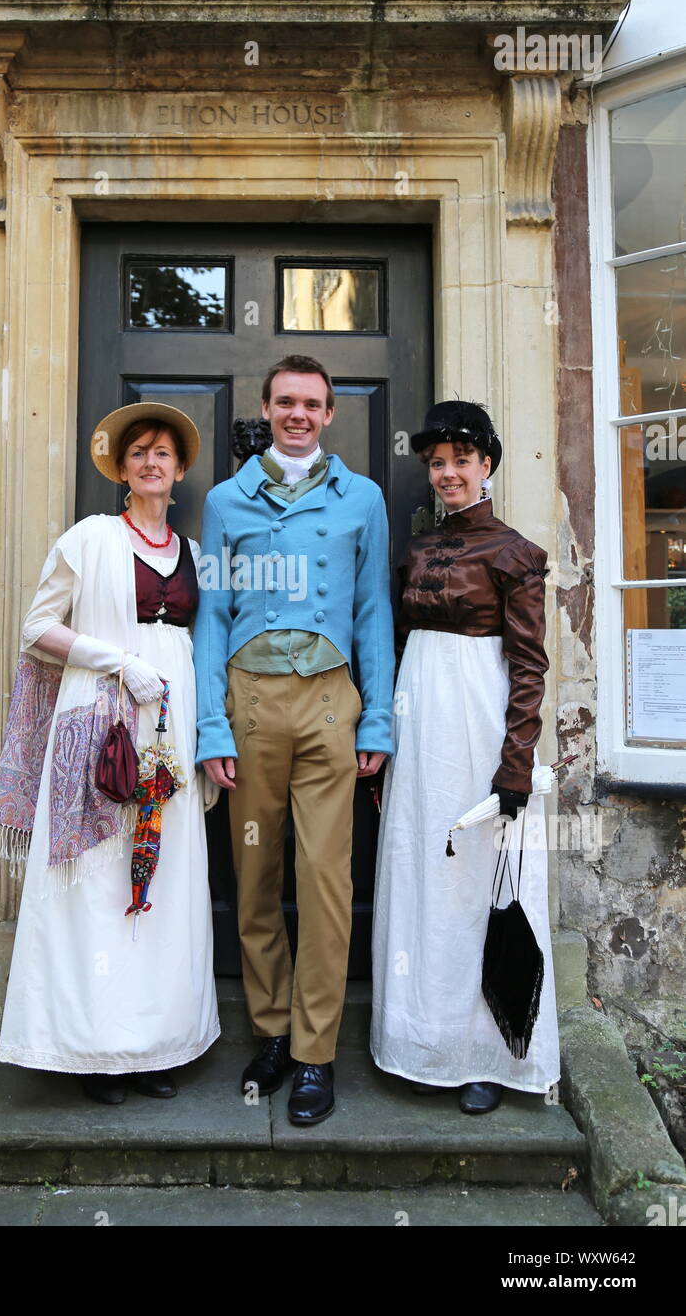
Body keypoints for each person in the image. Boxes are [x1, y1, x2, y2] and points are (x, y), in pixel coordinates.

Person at [0, 403, 220, 1105]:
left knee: (161, 880)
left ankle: (153, 1047)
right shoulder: (88, 540)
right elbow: (38, 627)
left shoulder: (192, 554)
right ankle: (93, 1051)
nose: (152, 463)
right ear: (120, 469)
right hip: (99, 730)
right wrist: (115, 660)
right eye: (139, 452)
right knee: (95, 880)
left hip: (168, 731)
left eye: (164, 455)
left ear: (179, 471)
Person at [194, 354, 395, 1126]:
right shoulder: (224, 502)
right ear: (268, 408)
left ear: (330, 413)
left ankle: (316, 1054)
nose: (298, 415)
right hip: (248, 705)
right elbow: (211, 615)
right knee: (253, 878)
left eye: (312, 403)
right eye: (286, 402)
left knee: (326, 880)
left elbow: (375, 610)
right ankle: (270, 1031)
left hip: (329, 706)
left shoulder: (364, 499)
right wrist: (214, 723)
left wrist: (376, 717)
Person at [370, 401, 560, 1114]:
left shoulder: (516, 553)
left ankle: (486, 1055)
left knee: (478, 880)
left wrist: (515, 764)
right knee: (423, 872)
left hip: (479, 730)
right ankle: (418, 1039)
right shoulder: (417, 552)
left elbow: (530, 666)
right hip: (421, 735)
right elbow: (398, 650)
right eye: (438, 462)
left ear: (487, 466)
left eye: (462, 460)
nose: (448, 473)